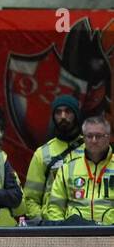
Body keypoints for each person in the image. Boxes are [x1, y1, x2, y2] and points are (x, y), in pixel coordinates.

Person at [21, 94, 83, 222]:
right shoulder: (42, 153)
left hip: (84, 222)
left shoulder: (90, 149)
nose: (63, 116)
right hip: (52, 224)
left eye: (68, 111)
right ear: (53, 117)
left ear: (77, 115)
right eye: (58, 112)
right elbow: (30, 198)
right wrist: (42, 222)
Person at [42, 116, 114, 225]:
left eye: (98, 136)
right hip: (75, 235)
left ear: (108, 137)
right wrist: (62, 232)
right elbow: (55, 206)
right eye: (89, 136)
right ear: (84, 138)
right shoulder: (68, 168)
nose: (94, 140)